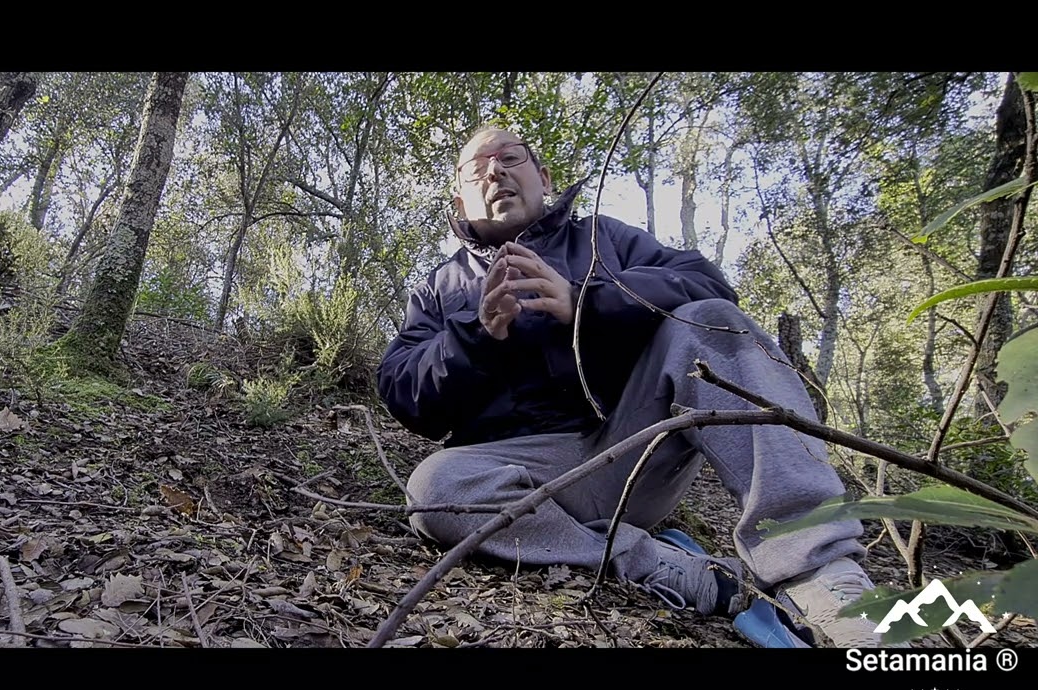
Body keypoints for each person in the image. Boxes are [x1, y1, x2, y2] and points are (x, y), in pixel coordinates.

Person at [374, 124, 898, 649]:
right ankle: (654, 562)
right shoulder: (439, 288)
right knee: (432, 488)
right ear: (461, 199)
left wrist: (588, 300)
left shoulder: (605, 240)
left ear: (543, 176)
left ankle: (817, 570)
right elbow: (404, 393)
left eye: (511, 157)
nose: (495, 171)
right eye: (476, 169)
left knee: (710, 319)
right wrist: (476, 336)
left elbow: (708, 284)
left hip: (631, 451)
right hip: (519, 473)